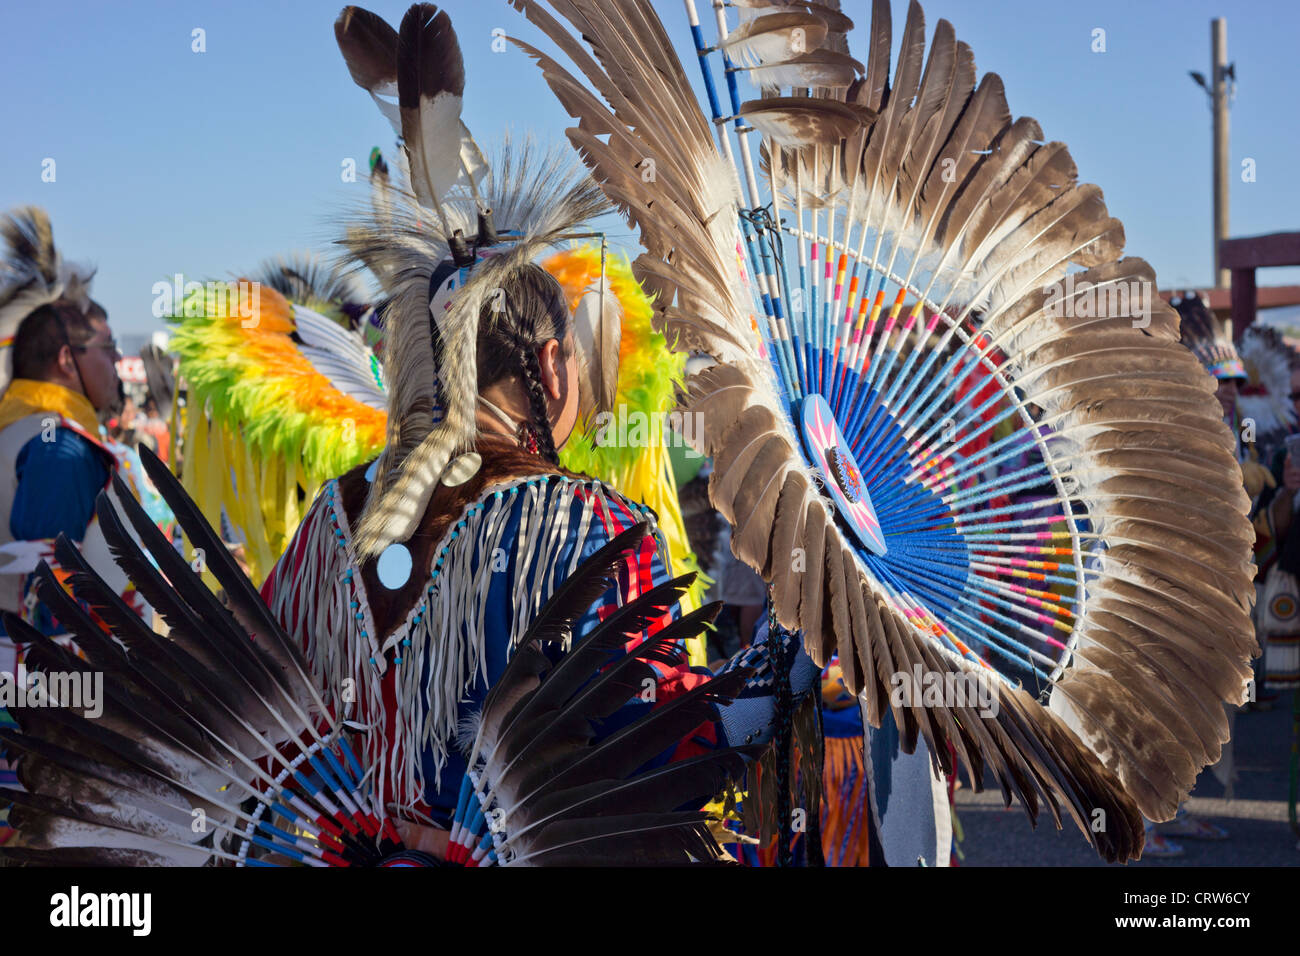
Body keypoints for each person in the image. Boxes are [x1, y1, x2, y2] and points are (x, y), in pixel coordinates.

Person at [261, 261, 814, 857]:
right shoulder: (589, 525)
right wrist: (795, 645)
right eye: (574, 356)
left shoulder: (332, 518)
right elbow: (651, 740)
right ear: (551, 365)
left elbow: (259, 699)